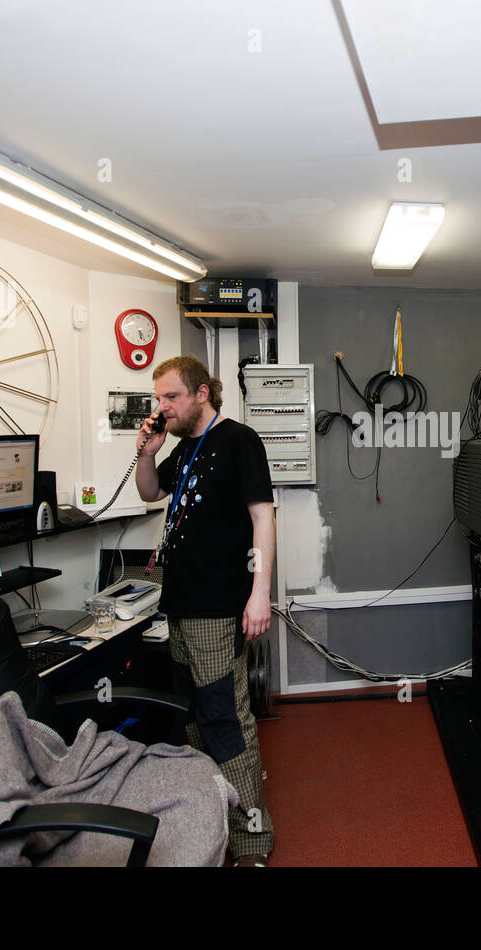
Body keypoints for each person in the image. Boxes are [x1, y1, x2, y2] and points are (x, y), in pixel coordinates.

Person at [136, 354, 275, 866]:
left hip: (218, 605)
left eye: (171, 397)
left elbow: (263, 517)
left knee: (225, 718)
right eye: (158, 399)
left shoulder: (238, 440)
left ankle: (253, 840)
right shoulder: (184, 448)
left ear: (200, 394)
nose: (162, 408)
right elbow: (151, 491)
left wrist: (260, 592)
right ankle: (211, 819)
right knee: (193, 718)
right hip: (181, 604)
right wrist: (148, 453)